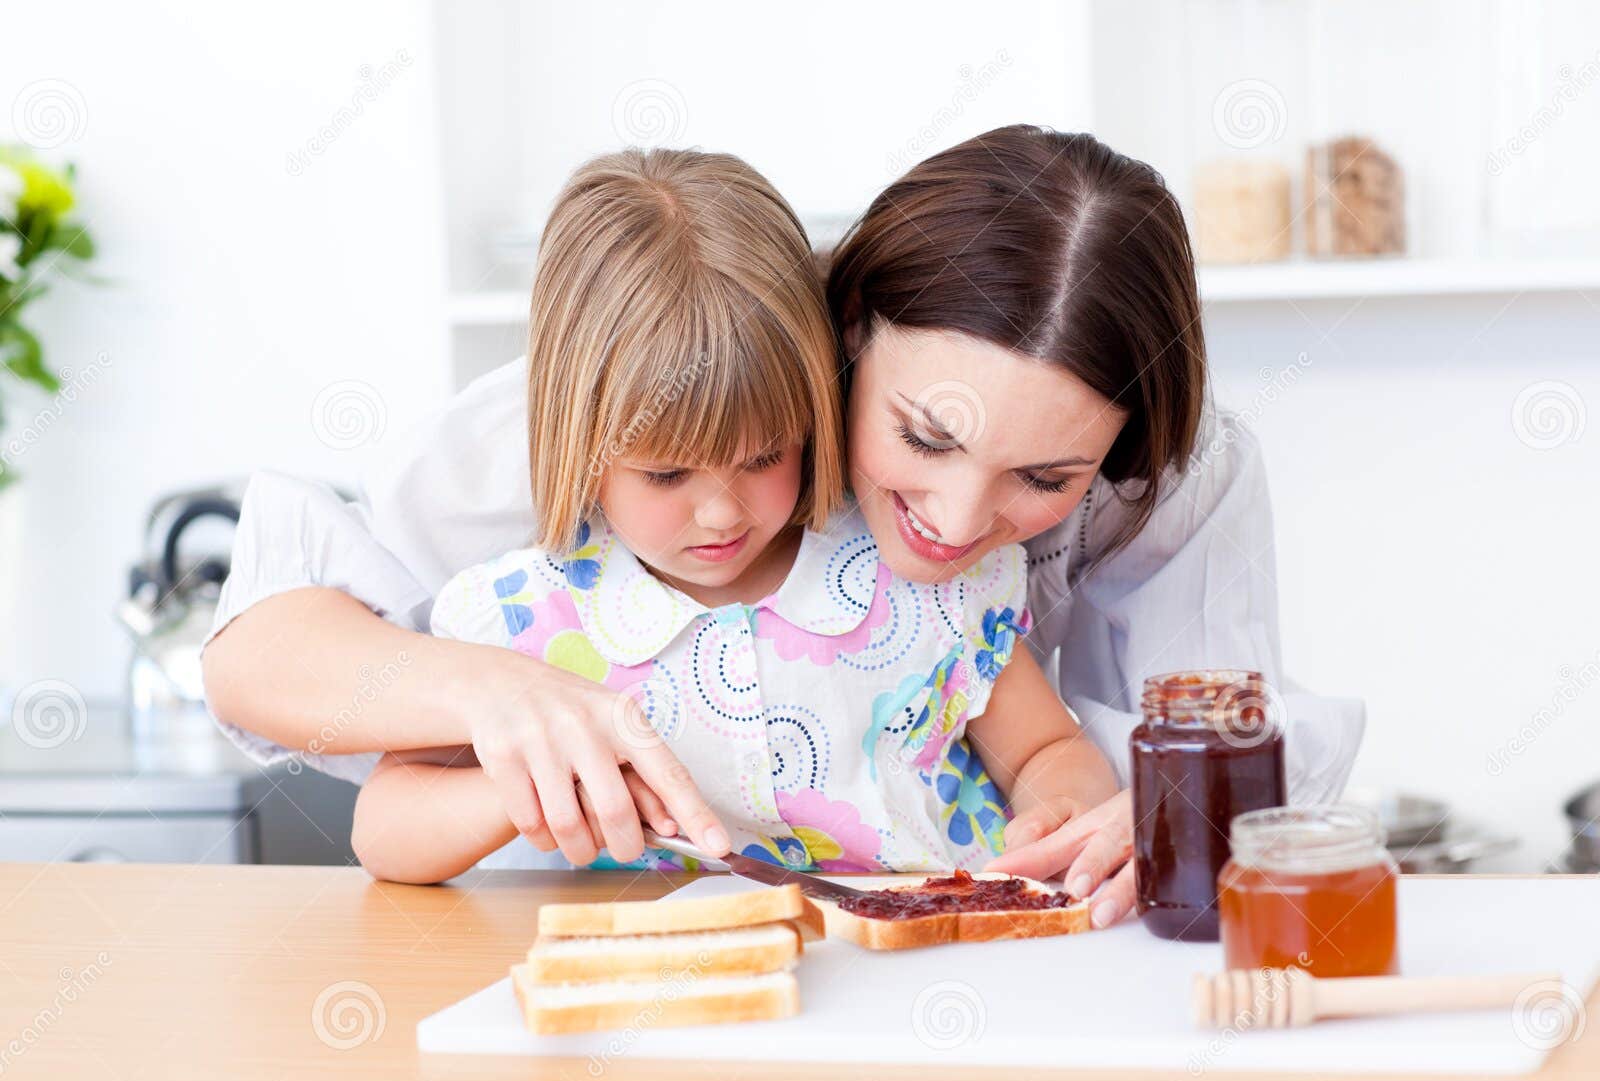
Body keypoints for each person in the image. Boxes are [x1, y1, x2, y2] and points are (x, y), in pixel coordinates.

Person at [203, 125, 1362, 928]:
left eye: (1045, 476)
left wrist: (1123, 812)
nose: (961, 526)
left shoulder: (1143, 479)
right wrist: (490, 701)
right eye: (924, 437)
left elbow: (1205, 748)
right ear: (843, 334)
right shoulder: (635, 394)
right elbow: (266, 651)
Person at [350, 147, 1116, 884]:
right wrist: (523, 788)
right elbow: (384, 828)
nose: (721, 513)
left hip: (936, 953)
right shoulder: (525, 620)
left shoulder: (923, 581)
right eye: (666, 472)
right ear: (577, 440)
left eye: (763, 458)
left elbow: (1047, 748)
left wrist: (1058, 807)